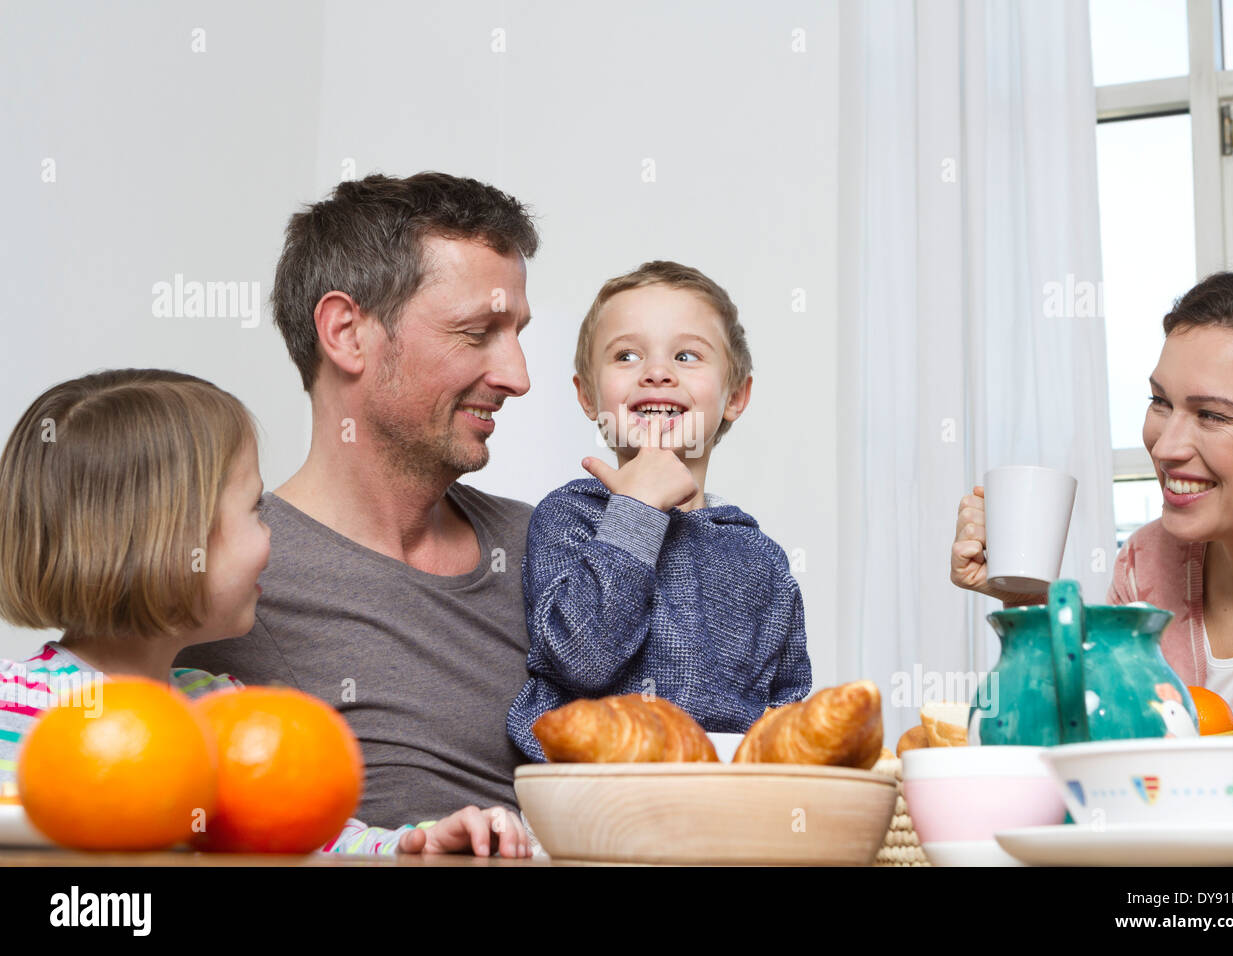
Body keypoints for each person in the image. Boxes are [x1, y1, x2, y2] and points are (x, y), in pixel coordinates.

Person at [0, 370, 529, 857]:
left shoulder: (224, 706)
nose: (272, 533)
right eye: (254, 509)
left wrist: (413, 843)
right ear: (174, 540)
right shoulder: (16, 708)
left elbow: (309, 834)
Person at [175, 172, 543, 833]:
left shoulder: (556, 550)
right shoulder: (220, 580)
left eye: (516, 331)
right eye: (478, 331)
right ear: (346, 332)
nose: (517, 377)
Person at [950, 261, 1233, 717]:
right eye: (1160, 402)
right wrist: (1027, 601)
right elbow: (1096, 727)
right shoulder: (1149, 563)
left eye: (1212, 415)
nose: (1166, 446)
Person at [507, 260, 813, 761]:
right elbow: (582, 661)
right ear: (587, 395)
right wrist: (636, 511)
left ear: (735, 396)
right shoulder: (570, 518)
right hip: (590, 799)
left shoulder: (761, 558)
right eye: (626, 355)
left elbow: (785, 708)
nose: (656, 372)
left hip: (719, 807)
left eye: (687, 355)